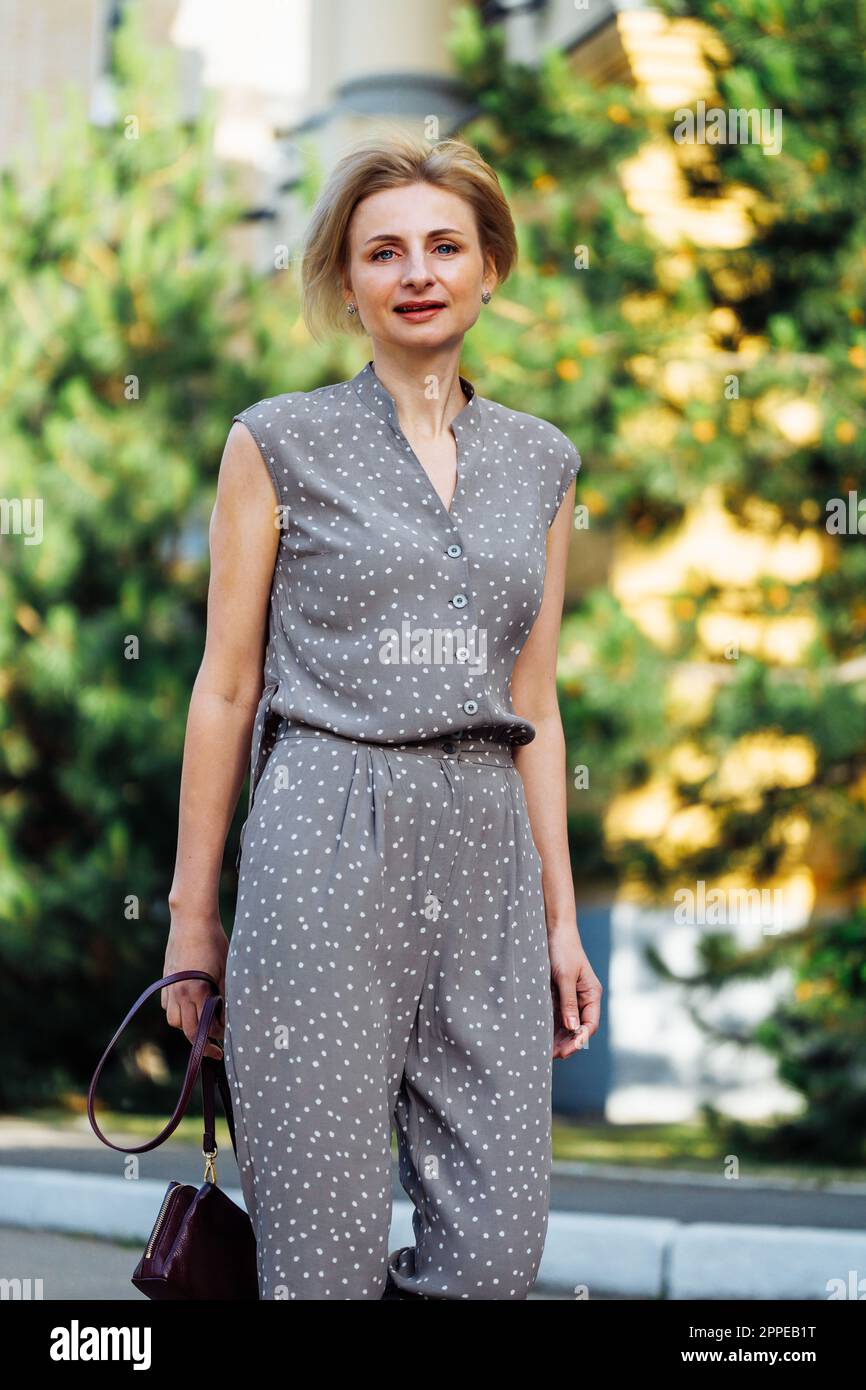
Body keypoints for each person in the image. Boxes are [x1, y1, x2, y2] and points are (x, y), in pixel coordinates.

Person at [162, 133, 602, 1300]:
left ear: (488, 270)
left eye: (443, 245)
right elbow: (225, 686)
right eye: (382, 250)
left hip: (486, 847)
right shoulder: (275, 443)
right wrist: (189, 918)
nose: (416, 270)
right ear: (346, 282)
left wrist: (562, 920)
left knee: (496, 1251)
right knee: (320, 1260)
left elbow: (534, 702)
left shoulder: (543, 463)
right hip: (322, 833)